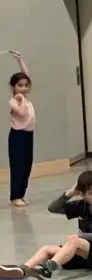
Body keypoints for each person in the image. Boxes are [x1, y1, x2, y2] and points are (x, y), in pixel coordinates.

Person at [0, 170, 92, 280]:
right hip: (91, 253)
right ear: (82, 194)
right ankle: (23, 270)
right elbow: (53, 208)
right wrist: (70, 193)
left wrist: (80, 236)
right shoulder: (82, 205)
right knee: (47, 249)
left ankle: (48, 271)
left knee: (74, 241)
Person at [8, 51, 33, 207]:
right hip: (17, 136)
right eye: (20, 85)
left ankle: (21, 194)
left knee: (27, 165)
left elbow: (26, 74)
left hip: (29, 135)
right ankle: (15, 196)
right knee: (18, 166)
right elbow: (22, 113)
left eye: (25, 85)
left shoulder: (24, 97)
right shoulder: (13, 101)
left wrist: (20, 59)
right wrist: (21, 99)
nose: (23, 88)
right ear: (14, 87)